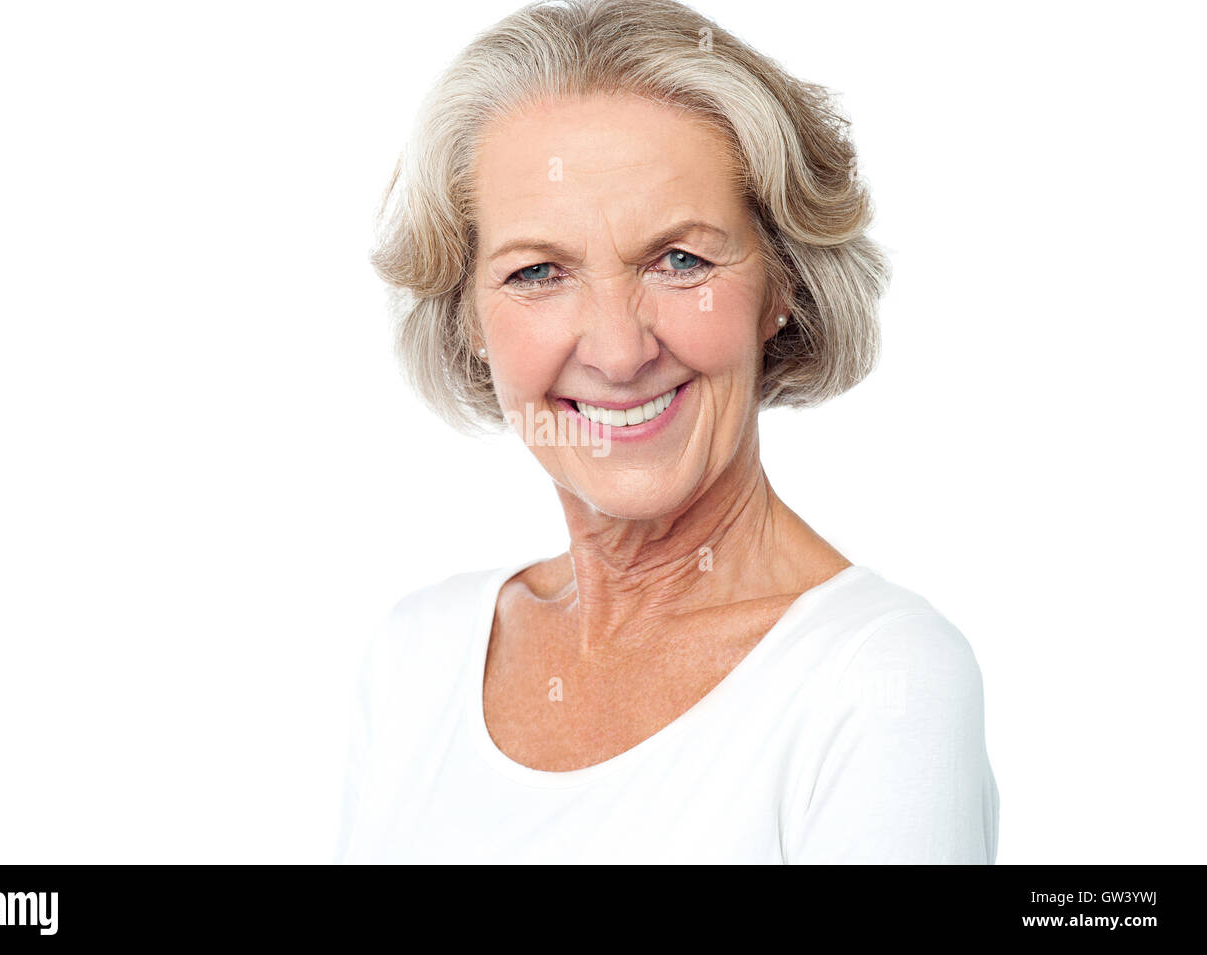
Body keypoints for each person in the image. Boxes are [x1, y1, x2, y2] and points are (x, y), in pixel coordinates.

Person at [335, 0, 999, 863]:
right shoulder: (416, 657)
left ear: (783, 283)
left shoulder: (880, 681)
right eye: (539, 271)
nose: (617, 352)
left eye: (680, 260)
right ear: (467, 318)